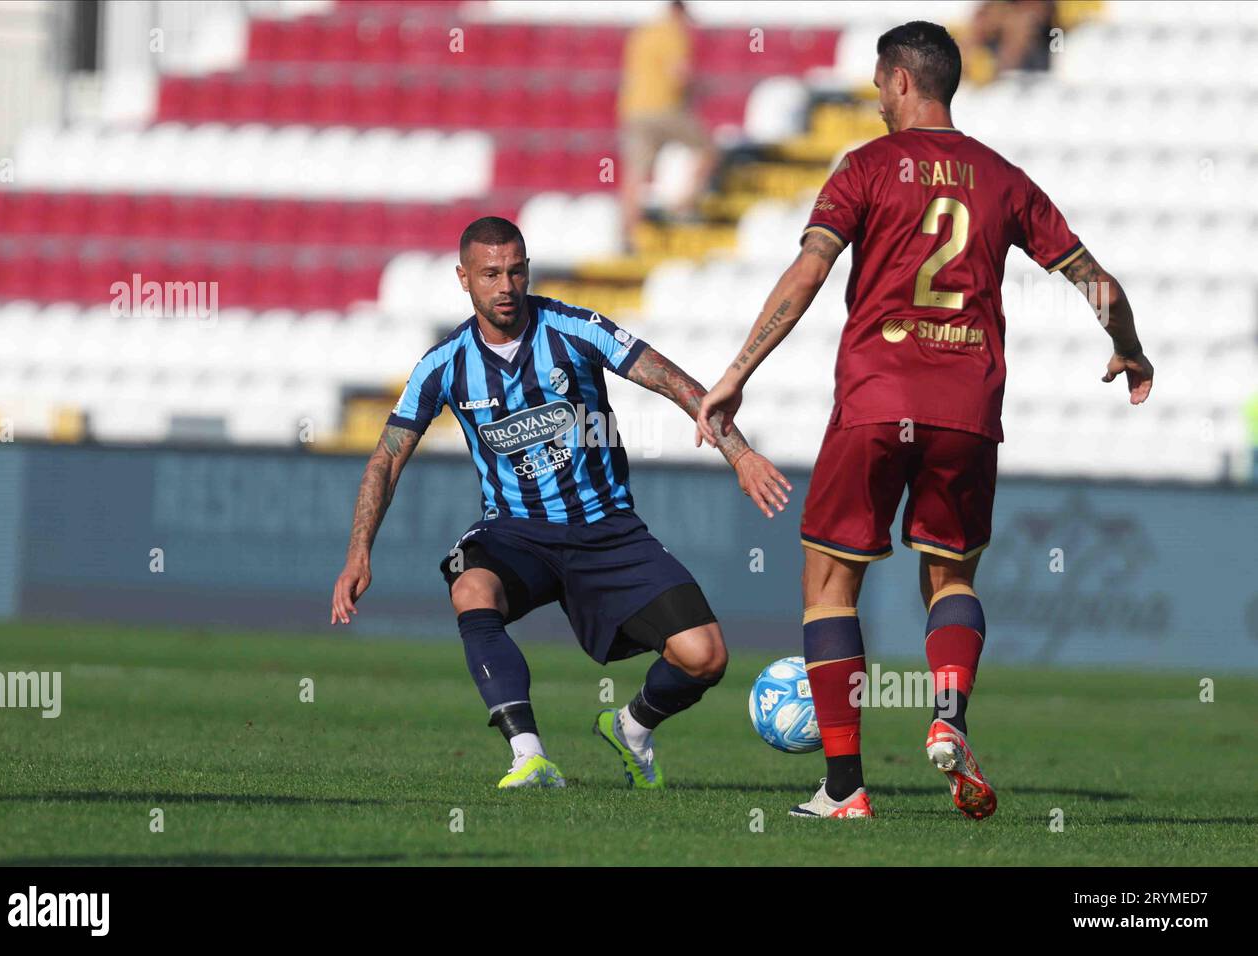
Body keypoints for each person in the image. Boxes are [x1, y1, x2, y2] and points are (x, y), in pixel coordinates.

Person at [695, 22, 1153, 820]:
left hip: (877, 400)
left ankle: (844, 790)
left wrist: (735, 376)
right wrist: (1131, 350)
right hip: (968, 410)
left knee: (830, 585)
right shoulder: (1002, 176)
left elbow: (808, 273)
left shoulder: (866, 167)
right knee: (952, 576)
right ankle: (948, 715)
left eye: (879, 85)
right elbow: (1097, 282)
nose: (876, 100)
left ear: (900, 81)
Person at [331, 216, 791, 790]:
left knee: (706, 657)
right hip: (516, 533)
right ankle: (529, 756)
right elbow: (386, 457)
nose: (506, 286)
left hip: (608, 531)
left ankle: (631, 725)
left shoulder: (574, 329)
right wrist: (359, 551)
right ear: (463, 279)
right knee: (471, 587)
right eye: (490, 274)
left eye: (516, 270)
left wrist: (740, 455)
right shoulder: (443, 364)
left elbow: (675, 382)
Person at [617, 0, 718, 247]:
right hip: (665, 108)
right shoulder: (674, 32)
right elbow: (679, 73)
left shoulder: (642, 33)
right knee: (709, 150)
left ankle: (627, 233)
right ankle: (683, 205)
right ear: (679, 10)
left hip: (634, 110)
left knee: (636, 174)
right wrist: (700, 90)